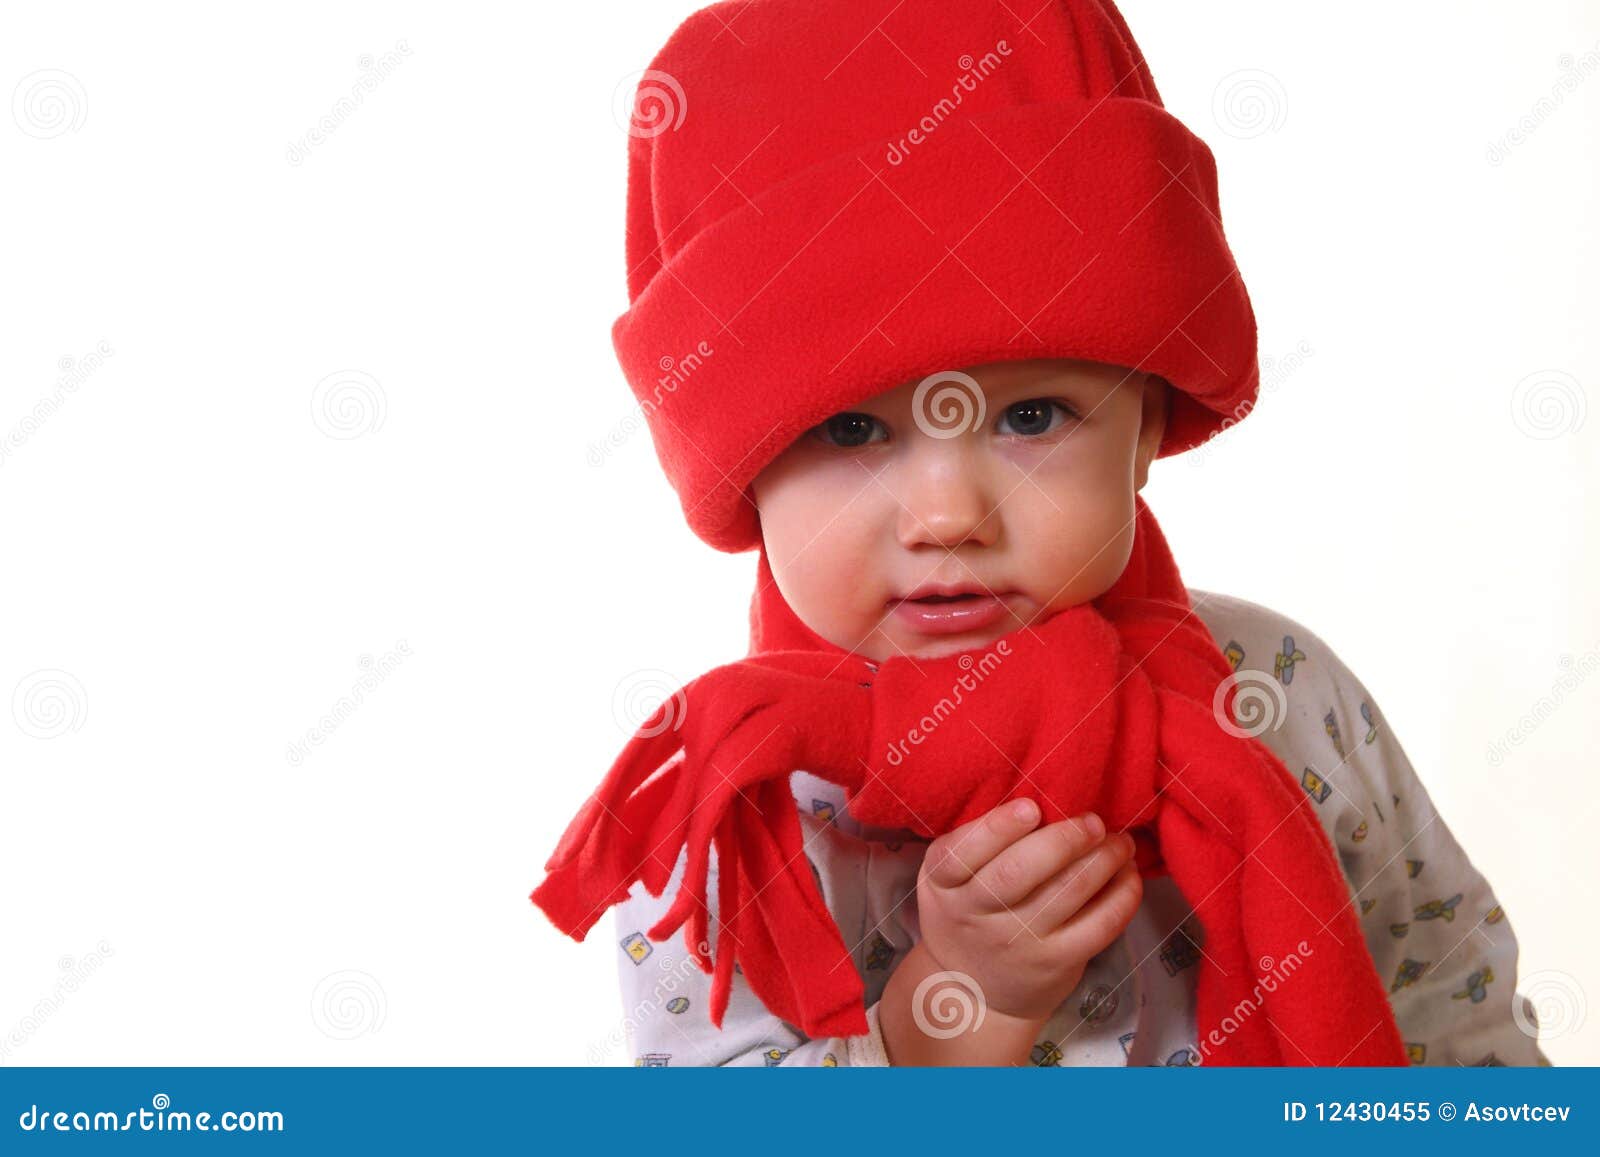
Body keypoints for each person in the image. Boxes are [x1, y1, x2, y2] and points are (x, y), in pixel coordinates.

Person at [531, 0, 1549, 1067]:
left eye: (1029, 416)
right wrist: (961, 1001)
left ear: (1144, 427)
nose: (946, 516)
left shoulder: (1278, 695)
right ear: (739, 467)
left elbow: (1450, 996)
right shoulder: (727, 804)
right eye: (850, 429)